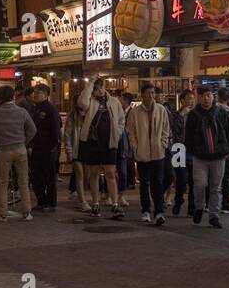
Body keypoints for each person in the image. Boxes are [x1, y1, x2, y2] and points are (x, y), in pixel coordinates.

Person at [184, 86, 229, 228]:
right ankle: (199, 207)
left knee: (216, 187)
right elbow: (188, 136)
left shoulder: (221, 112)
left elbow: (228, 132)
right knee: (200, 184)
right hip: (200, 157)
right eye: (202, 96)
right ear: (198, 98)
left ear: (213, 97)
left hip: (219, 156)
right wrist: (192, 151)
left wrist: (227, 150)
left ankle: (214, 215)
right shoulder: (194, 115)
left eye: (208, 95)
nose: (206, 99)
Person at [0, 85, 37, 220]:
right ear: (13, 97)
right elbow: (33, 130)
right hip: (21, 149)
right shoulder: (22, 112)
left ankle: (2, 213)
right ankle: (26, 212)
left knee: (2, 182)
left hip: (4, 150)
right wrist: (24, 141)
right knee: (23, 181)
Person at [77, 78, 125, 219]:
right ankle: (95, 203)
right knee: (94, 174)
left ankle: (115, 204)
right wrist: (89, 85)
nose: (100, 91)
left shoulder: (114, 102)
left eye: (101, 88)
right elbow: (81, 103)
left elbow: (121, 120)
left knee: (110, 173)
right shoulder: (89, 101)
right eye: (97, 89)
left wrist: (117, 133)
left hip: (109, 143)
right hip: (92, 143)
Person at [125, 82, 170, 225]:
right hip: (142, 153)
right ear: (142, 95)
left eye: (153, 93)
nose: (151, 96)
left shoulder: (161, 109)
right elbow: (130, 131)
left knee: (158, 182)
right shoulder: (135, 112)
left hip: (158, 152)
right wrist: (135, 147)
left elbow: (166, 129)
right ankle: (145, 210)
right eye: (148, 93)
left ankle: (159, 212)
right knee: (144, 183)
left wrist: (163, 144)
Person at [28, 83, 63, 212]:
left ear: (46, 95)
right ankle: (41, 201)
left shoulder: (50, 109)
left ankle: (51, 203)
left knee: (49, 176)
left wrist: (52, 147)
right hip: (36, 148)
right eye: (35, 92)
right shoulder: (35, 108)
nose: (35, 95)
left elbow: (55, 130)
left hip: (47, 148)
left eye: (38, 93)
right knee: (36, 176)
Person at [166, 90, 194, 216]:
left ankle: (192, 206)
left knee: (194, 181)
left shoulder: (196, 115)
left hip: (194, 151)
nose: (191, 101)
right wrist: (182, 116)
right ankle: (178, 201)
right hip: (179, 149)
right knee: (181, 179)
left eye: (193, 98)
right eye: (188, 98)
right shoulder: (175, 115)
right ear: (182, 100)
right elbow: (173, 131)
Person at [64, 92, 90, 212]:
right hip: (76, 149)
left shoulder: (91, 114)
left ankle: (82, 196)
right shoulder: (73, 116)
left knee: (87, 175)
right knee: (79, 174)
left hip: (89, 149)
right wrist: (68, 150)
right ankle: (82, 200)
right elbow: (67, 134)